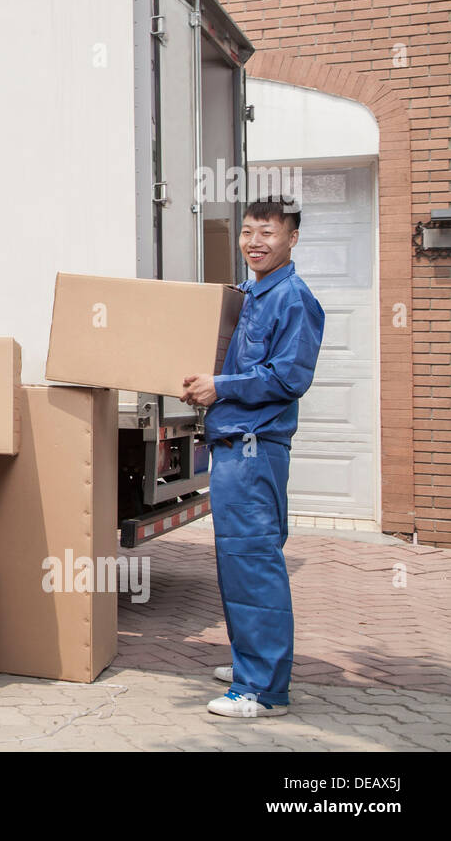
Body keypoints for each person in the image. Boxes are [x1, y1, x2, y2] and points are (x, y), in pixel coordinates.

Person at [180, 195, 325, 718]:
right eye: (247, 232)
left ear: (291, 239)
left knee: (252, 561)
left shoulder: (293, 299)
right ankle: (251, 661)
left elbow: (290, 378)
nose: (254, 242)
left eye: (267, 232)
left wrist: (221, 387)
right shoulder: (248, 295)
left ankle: (263, 690)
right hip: (234, 445)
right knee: (236, 562)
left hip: (254, 447)